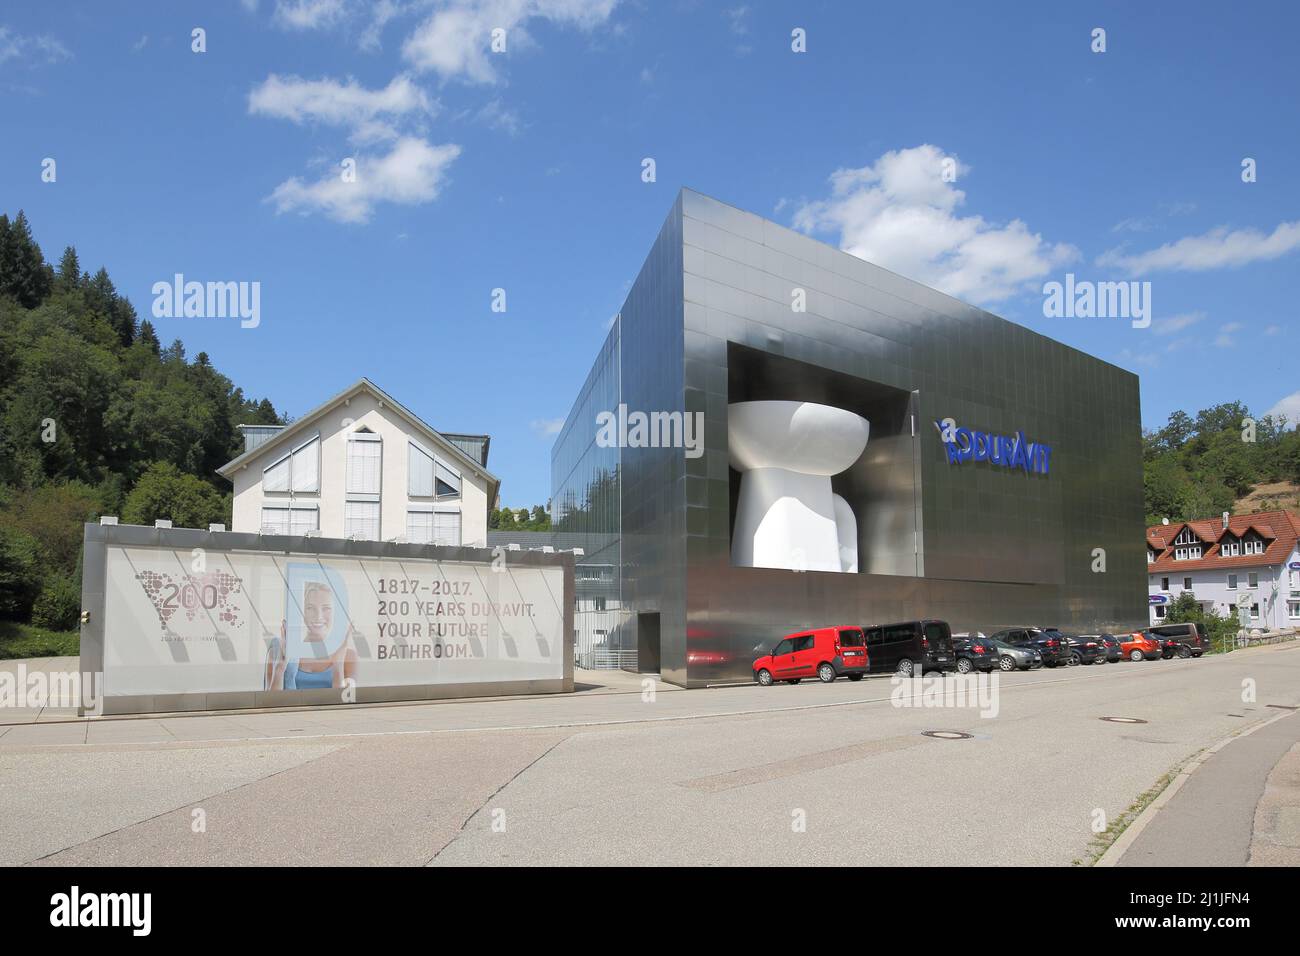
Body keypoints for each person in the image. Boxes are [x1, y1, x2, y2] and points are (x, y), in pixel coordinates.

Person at [265, 581, 358, 690]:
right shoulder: (278, 652)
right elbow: (270, 704)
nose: (318, 616)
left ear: (336, 612)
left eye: (326, 608)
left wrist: (338, 665)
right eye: (310, 608)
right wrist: (280, 669)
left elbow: (346, 703)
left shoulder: (349, 656)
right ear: (301, 611)